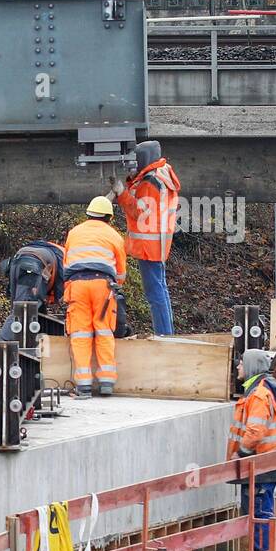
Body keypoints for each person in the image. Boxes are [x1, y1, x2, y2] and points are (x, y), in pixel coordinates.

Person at [113, 139, 181, 336]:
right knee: (161, 290)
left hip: (148, 246)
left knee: (155, 294)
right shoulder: (161, 175)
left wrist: (121, 193)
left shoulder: (150, 181)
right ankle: (167, 334)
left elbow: (139, 211)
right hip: (157, 243)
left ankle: (164, 335)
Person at [62, 196, 127, 398]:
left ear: (89, 213)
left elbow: (66, 264)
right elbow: (121, 274)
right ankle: (106, 381)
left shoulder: (74, 232)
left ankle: (83, 385)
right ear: (109, 217)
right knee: (104, 331)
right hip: (102, 286)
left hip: (77, 285)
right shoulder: (114, 236)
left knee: (80, 334)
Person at [227, 348, 276, 551]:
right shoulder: (256, 391)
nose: (238, 366)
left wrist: (242, 452)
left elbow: (255, 430)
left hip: (261, 466)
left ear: (252, 367)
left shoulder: (259, 395)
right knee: (257, 513)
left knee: (259, 513)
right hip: (264, 465)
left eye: (242, 363)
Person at [0, 240, 64, 342]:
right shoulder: (68, 261)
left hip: (18, 260)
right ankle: (0, 347)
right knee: (22, 311)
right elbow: (65, 293)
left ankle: (27, 346)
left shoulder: (57, 252)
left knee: (25, 310)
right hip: (33, 265)